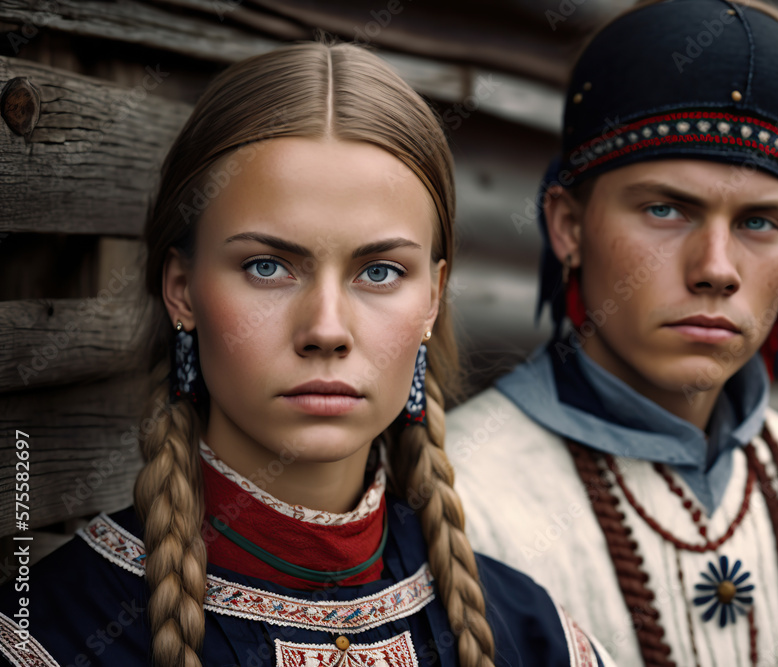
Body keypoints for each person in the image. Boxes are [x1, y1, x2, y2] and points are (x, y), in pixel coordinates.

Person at [0, 41, 613, 667]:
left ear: (432, 298)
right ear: (181, 290)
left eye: (379, 272)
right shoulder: (50, 637)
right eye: (267, 267)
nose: (325, 328)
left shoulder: (536, 638)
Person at [445, 1, 778, 666]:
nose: (716, 269)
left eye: (759, 223)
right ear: (569, 226)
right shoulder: (463, 510)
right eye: (665, 209)